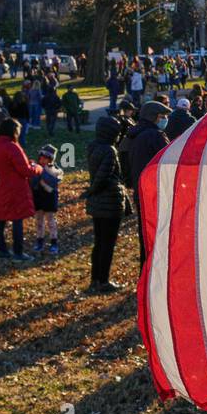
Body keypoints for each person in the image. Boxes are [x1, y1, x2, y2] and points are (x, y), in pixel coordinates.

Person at [0, 119, 43, 261]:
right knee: (17, 219)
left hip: (3, 184)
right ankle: (18, 252)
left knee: (1, 218)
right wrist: (37, 167)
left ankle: (2, 250)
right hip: (16, 186)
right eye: (18, 130)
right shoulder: (12, 147)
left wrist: (26, 164)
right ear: (13, 131)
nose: (19, 132)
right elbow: (26, 171)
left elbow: (5, 164)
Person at [125, 100, 172, 266]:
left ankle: (144, 273)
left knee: (144, 234)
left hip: (140, 190)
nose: (165, 120)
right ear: (154, 118)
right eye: (162, 117)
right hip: (156, 191)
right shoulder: (155, 135)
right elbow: (169, 160)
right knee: (158, 235)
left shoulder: (133, 134)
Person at [84, 115, 128, 292]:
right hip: (109, 202)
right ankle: (103, 280)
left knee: (99, 242)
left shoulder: (94, 147)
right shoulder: (110, 151)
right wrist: (93, 189)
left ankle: (95, 278)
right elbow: (104, 176)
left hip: (98, 203)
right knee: (107, 245)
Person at [31, 144, 63, 254]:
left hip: (49, 198)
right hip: (38, 197)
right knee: (39, 220)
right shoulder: (35, 168)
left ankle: (54, 242)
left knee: (51, 220)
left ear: (50, 159)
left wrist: (42, 173)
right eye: (41, 158)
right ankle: (39, 240)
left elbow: (55, 181)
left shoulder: (55, 170)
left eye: (45, 158)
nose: (42, 160)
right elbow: (32, 182)